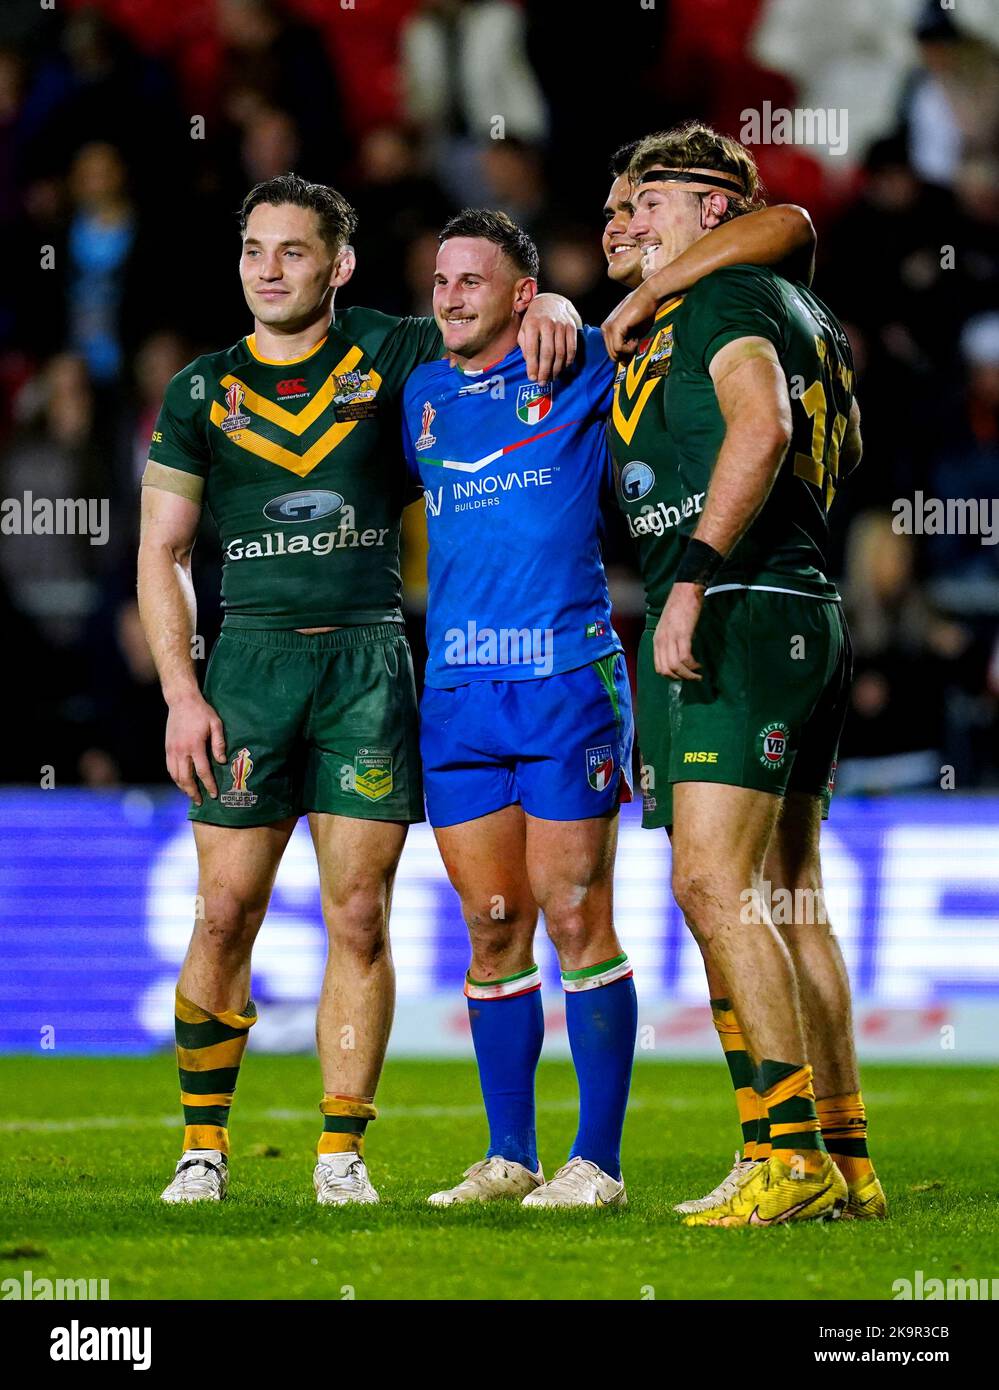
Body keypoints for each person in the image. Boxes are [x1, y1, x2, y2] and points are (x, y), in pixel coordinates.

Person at [137, 172, 577, 1206]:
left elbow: (491, 318)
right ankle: (203, 1148)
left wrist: (549, 298)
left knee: (360, 912)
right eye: (254, 250)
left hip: (371, 660)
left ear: (338, 265)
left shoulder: (396, 348)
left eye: (293, 251)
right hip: (247, 662)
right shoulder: (201, 390)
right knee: (223, 914)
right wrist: (180, 691)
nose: (269, 270)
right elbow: (162, 552)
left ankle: (341, 1156)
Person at [603, 123, 885, 1225]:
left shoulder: (722, 300)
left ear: (714, 209)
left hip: (738, 603)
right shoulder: (785, 308)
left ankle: (788, 1151)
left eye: (649, 201)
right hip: (798, 605)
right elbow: (836, 447)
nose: (627, 222)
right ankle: (842, 1152)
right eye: (619, 208)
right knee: (788, 895)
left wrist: (698, 572)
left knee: (713, 885)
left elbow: (762, 428)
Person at [401, 210, 636, 1208]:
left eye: (473, 280)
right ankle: (510, 1156)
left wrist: (577, 311)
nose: (450, 295)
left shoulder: (577, 358)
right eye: (442, 279)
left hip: (562, 681)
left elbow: (644, 315)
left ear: (521, 295)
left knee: (578, 911)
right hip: (457, 691)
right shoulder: (418, 394)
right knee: (493, 924)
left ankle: (599, 1163)